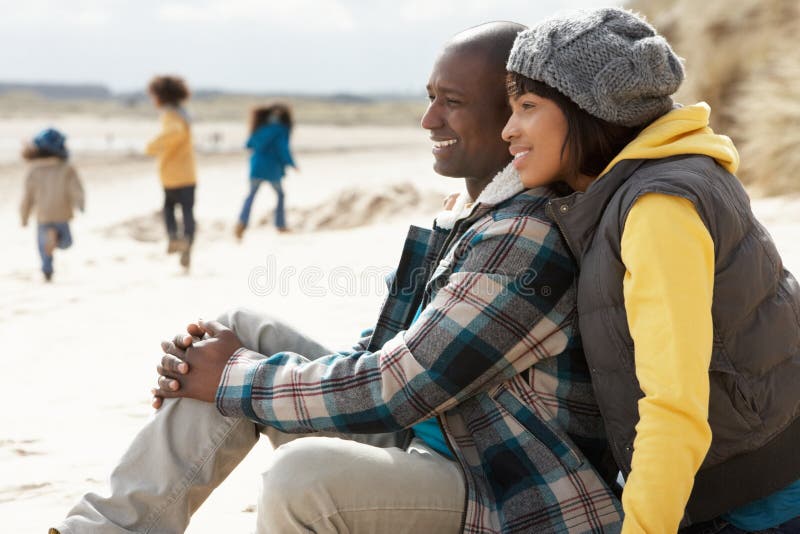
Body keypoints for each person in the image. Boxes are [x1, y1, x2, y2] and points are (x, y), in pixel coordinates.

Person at [52, 22, 625, 534]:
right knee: (235, 331)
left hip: (504, 496)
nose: (429, 120)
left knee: (302, 477)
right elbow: (377, 351)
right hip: (433, 445)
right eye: (430, 98)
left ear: (515, 118)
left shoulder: (525, 236)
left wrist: (233, 379)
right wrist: (219, 368)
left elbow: (398, 384)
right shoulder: (464, 216)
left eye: (452, 102)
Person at [501, 7, 800, 533]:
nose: (509, 129)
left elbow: (674, 404)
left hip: (756, 504)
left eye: (527, 105)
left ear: (587, 109)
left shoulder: (657, 207)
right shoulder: (651, 184)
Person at [19, 128, 84, 282]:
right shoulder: (66, 168)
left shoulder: (33, 170)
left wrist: (24, 216)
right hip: (62, 213)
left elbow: (27, 197)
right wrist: (80, 203)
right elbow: (76, 188)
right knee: (66, 242)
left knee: (43, 247)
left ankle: (47, 270)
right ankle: (55, 240)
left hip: (43, 215)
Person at [145, 75, 197, 269]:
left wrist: (152, 146)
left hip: (172, 174)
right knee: (188, 212)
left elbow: (173, 133)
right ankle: (188, 246)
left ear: (159, 96)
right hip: (189, 173)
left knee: (168, 209)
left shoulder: (170, 115)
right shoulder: (184, 114)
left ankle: (174, 237)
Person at [235, 103, 297, 239]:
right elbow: (283, 149)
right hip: (272, 168)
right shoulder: (281, 130)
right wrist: (292, 164)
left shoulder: (260, 128)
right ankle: (280, 225)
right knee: (280, 195)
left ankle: (242, 222)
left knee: (251, 195)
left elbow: (248, 144)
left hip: (256, 166)